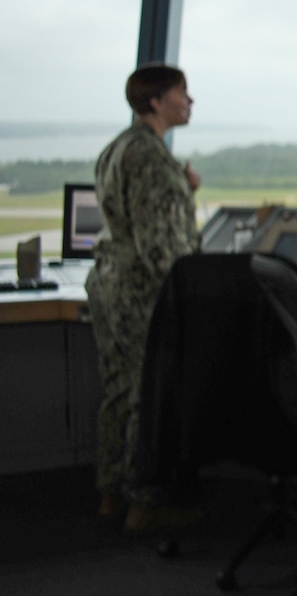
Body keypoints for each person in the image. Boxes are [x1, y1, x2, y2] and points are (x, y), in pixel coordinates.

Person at [85, 63, 202, 532]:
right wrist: (188, 290)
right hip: (141, 291)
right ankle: (143, 502)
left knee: (117, 389)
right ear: (156, 101)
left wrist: (185, 190)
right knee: (146, 393)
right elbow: (161, 245)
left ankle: (111, 493)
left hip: (109, 281)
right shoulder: (151, 158)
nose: (189, 101)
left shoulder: (117, 148)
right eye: (182, 93)